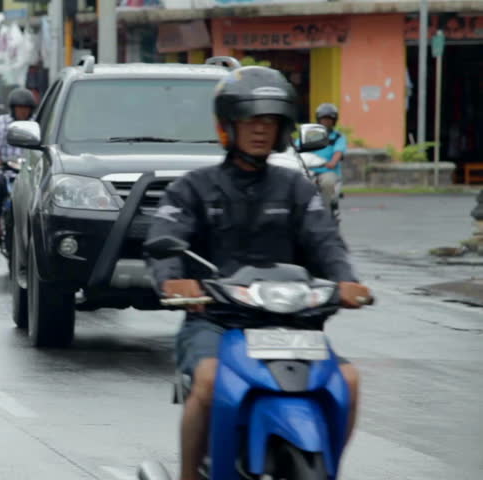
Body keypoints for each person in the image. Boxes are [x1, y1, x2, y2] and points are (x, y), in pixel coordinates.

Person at [145, 66, 372, 480]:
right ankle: (189, 475)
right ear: (228, 125)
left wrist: (346, 281)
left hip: (291, 323)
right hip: (216, 321)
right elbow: (165, 238)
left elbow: (326, 241)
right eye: (251, 119)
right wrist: (173, 279)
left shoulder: (297, 188)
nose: (261, 129)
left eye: (270, 120)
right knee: (209, 381)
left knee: (348, 381)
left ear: (282, 128)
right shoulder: (192, 188)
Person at [0, 87, 37, 246]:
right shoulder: (1, 122)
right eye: (19, 108)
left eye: (26, 108)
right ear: (13, 108)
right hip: (7, 170)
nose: (23, 111)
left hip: (31, 172)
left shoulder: (37, 123)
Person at [308, 103, 347, 210]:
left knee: (327, 182)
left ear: (334, 120)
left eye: (329, 119)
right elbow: (298, 149)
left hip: (328, 172)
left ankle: (327, 207)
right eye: (323, 118)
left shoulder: (338, 137)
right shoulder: (310, 135)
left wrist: (331, 162)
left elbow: (338, 153)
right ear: (319, 120)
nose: (326, 121)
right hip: (309, 171)